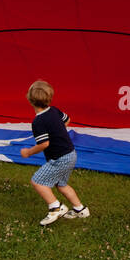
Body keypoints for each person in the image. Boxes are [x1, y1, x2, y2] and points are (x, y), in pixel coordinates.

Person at [19, 79, 90, 225]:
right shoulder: (54, 110)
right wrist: (57, 129)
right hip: (71, 154)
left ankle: (55, 207)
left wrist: (28, 152)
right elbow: (68, 120)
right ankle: (80, 209)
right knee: (61, 185)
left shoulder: (38, 122)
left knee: (37, 181)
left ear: (30, 100)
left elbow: (44, 143)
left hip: (60, 159)